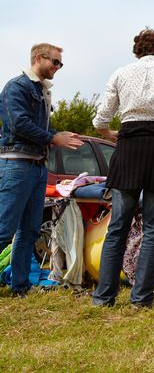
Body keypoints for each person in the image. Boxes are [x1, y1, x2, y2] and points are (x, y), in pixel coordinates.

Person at [91, 29, 154, 308]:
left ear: (137, 52)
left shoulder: (120, 74)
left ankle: (103, 296)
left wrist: (112, 135)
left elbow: (100, 120)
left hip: (128, 148)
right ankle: (141, 298)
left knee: (117, 227)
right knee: (153, 228)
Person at [0, 43, 83, 297]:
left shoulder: (40, 90)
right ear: (38, 58)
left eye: (60, 63)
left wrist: (56, 134)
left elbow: (36, 126)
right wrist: (53, 137)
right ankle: (20, 284)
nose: (58, 67)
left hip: (36, 167)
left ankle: (20, 286)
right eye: (55, 62)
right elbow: (19, 124)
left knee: (30, 230)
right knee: (4, 229)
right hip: (16, 165)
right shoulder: (17, 87)